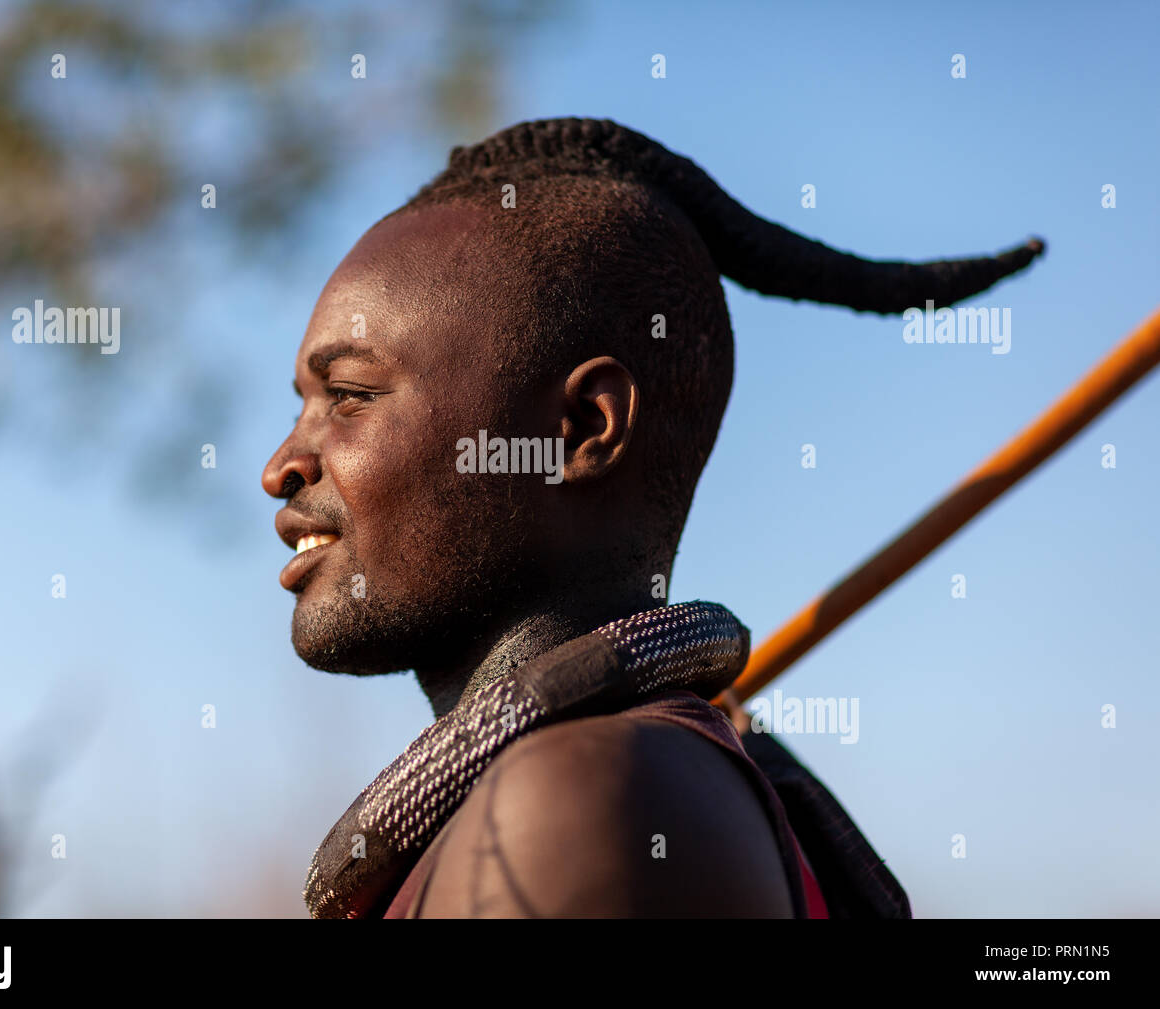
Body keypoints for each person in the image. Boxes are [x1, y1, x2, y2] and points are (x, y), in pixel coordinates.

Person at [261, 118, 1042, 918]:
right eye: (303, 407)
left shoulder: (569, 808)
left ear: (581, 432)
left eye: (351, 396)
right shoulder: (604, 786)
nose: (280, 465)